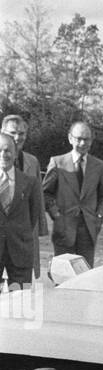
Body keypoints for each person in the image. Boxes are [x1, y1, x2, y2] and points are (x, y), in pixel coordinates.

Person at [42, 121, 103, 268]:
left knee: (85, 275)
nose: (82, 143)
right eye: (78, 138)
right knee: (63, 275)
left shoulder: (100, 166)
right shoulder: (57, 162)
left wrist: (98, 218)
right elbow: (46, 193)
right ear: (70, 138)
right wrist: (57, 216)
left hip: (88, 230)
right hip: (63, 228)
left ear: (92, 140)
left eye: (86, 139)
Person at [1, 113, 47, 278]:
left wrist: (32, 229)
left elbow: (37, 204)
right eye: (12, 133)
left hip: (21, 239)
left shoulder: (32, 162)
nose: (17, 137)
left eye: (21, 133)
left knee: (21, 293)